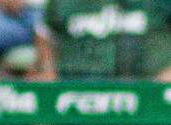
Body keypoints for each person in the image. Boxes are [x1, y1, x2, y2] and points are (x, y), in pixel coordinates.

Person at [30, 0, 171, 80]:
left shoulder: (157, 4)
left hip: (149, 81)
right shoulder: (64, 3)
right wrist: (47, 68)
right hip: (77, 83)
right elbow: (45, 32)